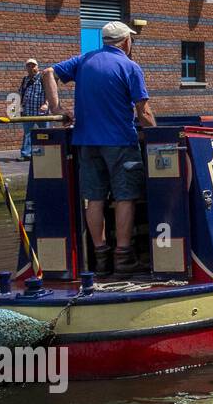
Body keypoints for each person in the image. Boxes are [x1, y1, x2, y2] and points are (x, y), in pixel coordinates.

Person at [42, 21, 155, 277]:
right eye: (132, 41)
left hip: (86, 142)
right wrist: (157, 136)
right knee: (124, 197)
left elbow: (48, 72)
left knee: (94, 199)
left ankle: (101, 258)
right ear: (126, 41)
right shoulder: (130, 66)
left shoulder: (84, 60)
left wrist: (56, 108)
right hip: (120, 142)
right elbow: (144, 112)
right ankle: (123, 258)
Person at [18, 57, 47, 160]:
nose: (31, 68)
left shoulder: (43, 78)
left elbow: (49, 92)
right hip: (28, 111)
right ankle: (26, 154)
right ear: (26, 68)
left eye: (33, 65)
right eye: (29, 66)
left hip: (41, 112)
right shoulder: (25, 80)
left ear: (37, 67)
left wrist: (46, 104)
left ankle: (47, 153)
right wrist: (20, 106)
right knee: (27, 134)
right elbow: (21, 93)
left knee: (44, 133)